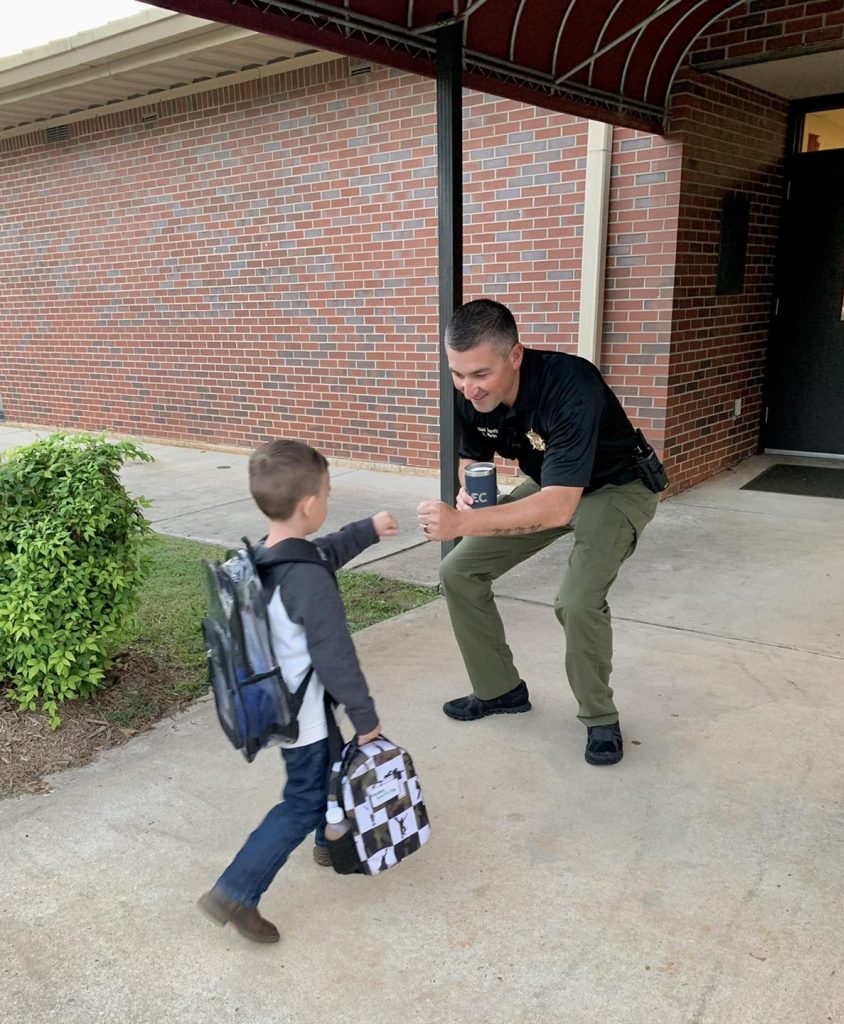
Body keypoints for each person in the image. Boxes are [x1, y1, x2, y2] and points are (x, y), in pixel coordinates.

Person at [417, 299, 662, 766]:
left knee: (576, 600)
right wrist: (468, 488)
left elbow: (556, 507)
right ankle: (500, 690)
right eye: (458, 374)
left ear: (515, 356)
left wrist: (461, 521)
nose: (468, 388)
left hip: (616, 486)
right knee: (458, 571)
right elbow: (472, 456)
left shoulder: (570, 385)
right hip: (554, 480)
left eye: (480, 375)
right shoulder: (471, 393)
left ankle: (599, 718)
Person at [198, 439, 398, 943]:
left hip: (274, 703)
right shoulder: (308, 581)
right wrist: (365, 717)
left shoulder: (265, 558)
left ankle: (330, 842)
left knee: (330, 766)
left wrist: (369, 530)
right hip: (303, 716)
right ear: (310, 505)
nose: (327, 503)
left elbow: (322, 552)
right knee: (303, 800)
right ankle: (235, 891)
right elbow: (336, 659)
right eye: (327, 494)